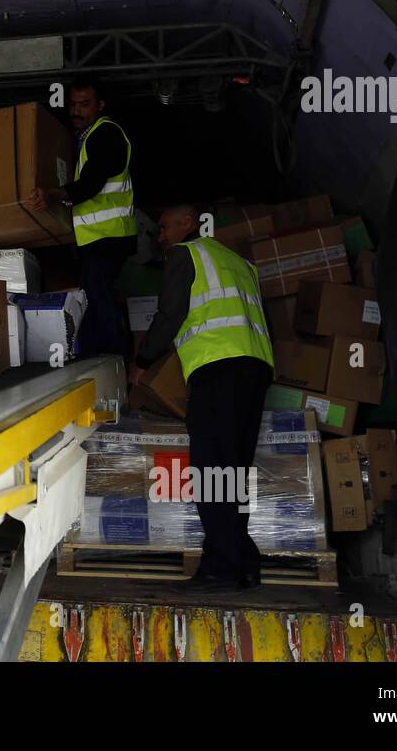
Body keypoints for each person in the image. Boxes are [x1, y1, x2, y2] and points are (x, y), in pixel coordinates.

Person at [131, 204, 275, 591]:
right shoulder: (240, 263)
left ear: (187, 224)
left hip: (218, 367)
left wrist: (142, 361)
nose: (160, 235)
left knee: (211, 468)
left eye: (164, 227)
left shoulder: (186, 254)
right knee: (233, 470)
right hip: (255, 368)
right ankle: (241, 561)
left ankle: (222, 567)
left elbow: (171, 312)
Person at [24, 79, 135, 358]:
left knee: (100, 301)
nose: (76, 110)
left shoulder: (105, 134)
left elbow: (91, 183)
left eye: (84, 104)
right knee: (94, 300)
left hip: (108, 237)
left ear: (100, 105)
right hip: (97, 239)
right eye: (73, 104)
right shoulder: (86, 138)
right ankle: (100, 359)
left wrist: (52, 194)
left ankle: (113, 361)